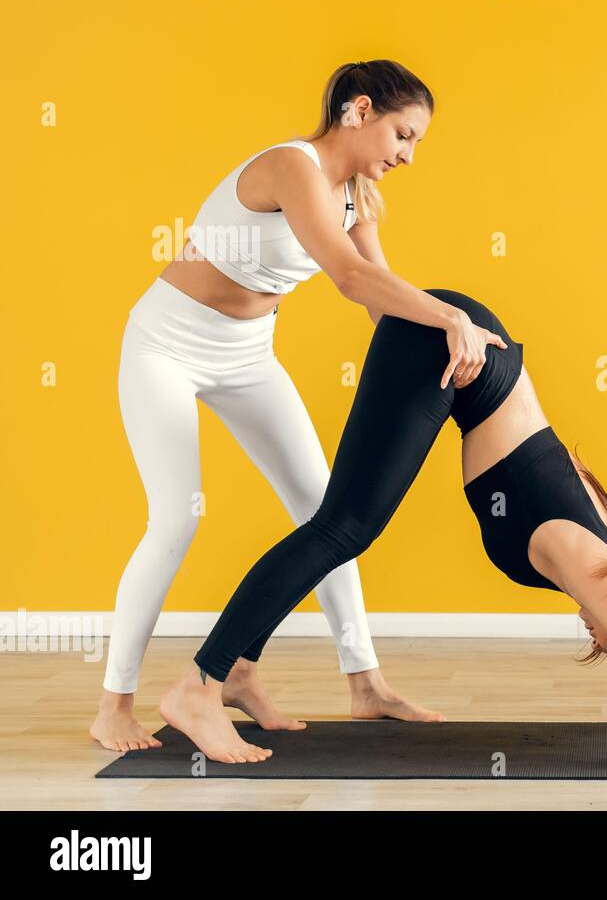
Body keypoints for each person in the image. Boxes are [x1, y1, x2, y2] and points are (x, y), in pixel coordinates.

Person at [158, 290, 607, 776]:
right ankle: (202, 681)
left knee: (345, 523)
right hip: (460, 358)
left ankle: (249, 672)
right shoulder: (605, 578)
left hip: (470, 352)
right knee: (342, 527)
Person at [94, 60, 507, 753]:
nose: (406, 155)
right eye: (402, 135)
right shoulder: (292, 166)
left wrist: (447, 347)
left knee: (331, 511)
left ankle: (361, 684)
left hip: (248, 354)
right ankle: (115, 705)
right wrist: (449, 318)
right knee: (174, 519)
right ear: (360, 109)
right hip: (165, 344)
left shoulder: (357, 198)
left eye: (416, 145)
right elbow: (347, 277)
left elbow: (378, 294)